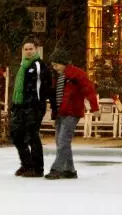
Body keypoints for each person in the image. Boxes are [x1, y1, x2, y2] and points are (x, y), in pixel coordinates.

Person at [45, 47, 99, 180]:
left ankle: (57, 168)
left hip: (72, 112)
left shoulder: (77, 74)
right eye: (53, 65)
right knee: (60, 141)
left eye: (56, 64)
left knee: (63, 140)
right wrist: (54, 115)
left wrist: (95, 107)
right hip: (60, 112)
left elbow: (89, 90)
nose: (55, 67)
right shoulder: (57, 77)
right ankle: (69, 170)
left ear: (63, 62)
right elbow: (55, 97)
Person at [10, 36, 53, 178]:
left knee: (32, 136)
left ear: (36, 50)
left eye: (31, 49)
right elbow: (18, 87)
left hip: (34, 107)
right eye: (26, 49)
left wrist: (41, 104)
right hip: (20, 106)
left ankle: (37, 168)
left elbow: (46, 87)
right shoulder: (23, 66)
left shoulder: (39, 66)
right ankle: (26, 164)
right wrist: (15, 105)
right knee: (16, 135)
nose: (28, 52)